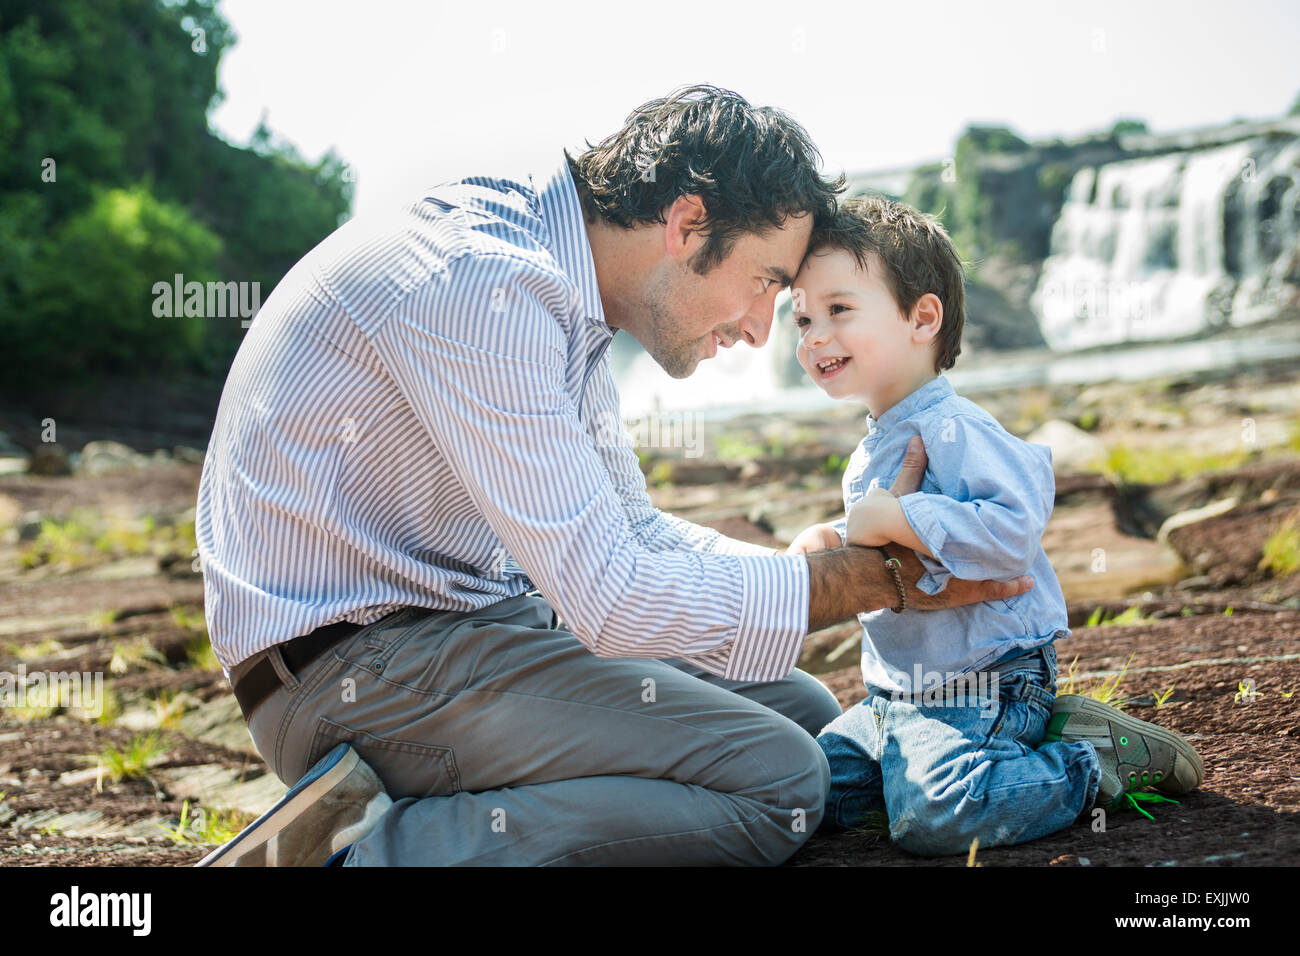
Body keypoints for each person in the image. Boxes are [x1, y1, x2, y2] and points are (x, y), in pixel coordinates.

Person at [193, 86, 1038, 867]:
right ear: (687, 224)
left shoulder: (561, 284)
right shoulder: (484, 284)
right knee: (782, 783)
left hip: (463, 630)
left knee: (806, 716)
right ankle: (362, 853)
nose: (757, 328)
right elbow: (612, 596)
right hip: (346, 673)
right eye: (767, 283)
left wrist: (800, 569)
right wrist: (863, 582)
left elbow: (630, 533)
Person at [785, 195, 1204, 856]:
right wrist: (836, 539)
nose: (813, 337)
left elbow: (1013, 532)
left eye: (839, 310)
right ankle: (955, 761)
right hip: (901, 696)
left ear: (923, 317)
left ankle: (1090, 762)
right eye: (802, 317)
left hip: (984, 682)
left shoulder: (956, 425)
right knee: (805, 792)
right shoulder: (882, 435)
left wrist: (899, 515)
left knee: (938, 817)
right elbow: (897, 536)